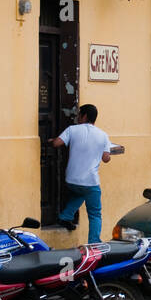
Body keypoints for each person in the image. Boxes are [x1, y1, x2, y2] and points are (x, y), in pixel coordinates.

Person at [51, 103, 112, 243]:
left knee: (80, 193)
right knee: (95, 214)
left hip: (71, 180)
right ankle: (94, 242)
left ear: (84, 116)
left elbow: (56, 143)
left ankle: (65, 216)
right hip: (90, 181)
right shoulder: (103, 136)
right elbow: (106, 158)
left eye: (79, 114)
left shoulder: (72, 130)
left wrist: (53, 139)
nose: (78, 117)